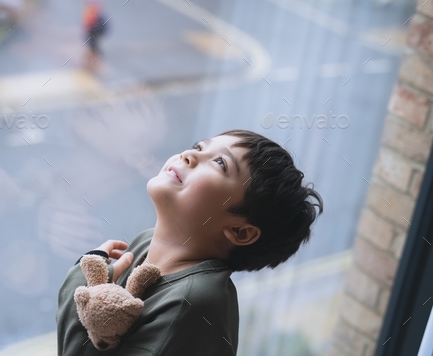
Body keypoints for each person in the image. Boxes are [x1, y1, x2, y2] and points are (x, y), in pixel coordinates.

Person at [56, 129, 323, 355]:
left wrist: (81, 277)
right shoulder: (146, 242)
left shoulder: (194, 304)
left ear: (240, 232)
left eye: (220, 163)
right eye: (199, 147)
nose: (190, 155)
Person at [82, 0, 108, 71]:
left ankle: (95, 56)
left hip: (95, 28)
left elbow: (89, 21)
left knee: (92, 42)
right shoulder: (95, 6)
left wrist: (88, 29)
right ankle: (95, 54)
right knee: (92, 41)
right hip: (97, 28)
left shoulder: (91, 8)